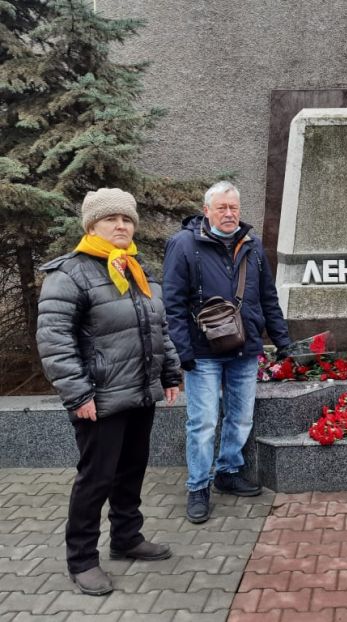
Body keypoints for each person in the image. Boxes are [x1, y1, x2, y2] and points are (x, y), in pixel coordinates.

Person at [37, 188, 181, 596]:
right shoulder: (70, 274)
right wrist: (78, 394)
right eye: (111, 220)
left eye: (127, 219)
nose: (121, 226)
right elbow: (55, 341)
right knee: (95, 479)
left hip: (139, 393)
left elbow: (158, 327)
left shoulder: (134, 268)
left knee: (131, 471)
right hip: (99, 399)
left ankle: (126, 538)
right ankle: (81, 560)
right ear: (91, 226)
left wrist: (169, 374)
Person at [163, 181, 291, 524]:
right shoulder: (184, 244)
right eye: (222, 208)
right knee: (203, 422)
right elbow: (172, 304)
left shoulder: (252, 245)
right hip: (202, 352)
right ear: (207, 210)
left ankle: (228, 471)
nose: (229, 214)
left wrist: (282, 340)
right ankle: (197, 487)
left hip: (245, 349)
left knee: (241, 417)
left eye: (234, 207)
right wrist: (183, 352)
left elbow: (268, 298)